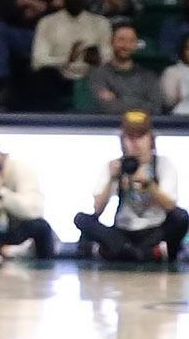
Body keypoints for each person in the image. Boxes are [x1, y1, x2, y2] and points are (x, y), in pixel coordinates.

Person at [75, 112, 186, 264]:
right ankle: (137, 252)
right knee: (81, 219)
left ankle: (124, 252)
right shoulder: (115, 166)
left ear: (150, 139)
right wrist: (112, 179)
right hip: (123, 231)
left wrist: (149, 185)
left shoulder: (163, 165)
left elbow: (170, 206)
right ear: (122, 140)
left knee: (182, 217)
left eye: (140, 136)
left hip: (153, 229)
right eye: (130, 137)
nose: (135, 142)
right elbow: (97, 210)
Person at [31, 0, 113, 96]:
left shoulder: (101, 23)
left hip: (91, 78)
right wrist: (67, 59)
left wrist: (97, 58)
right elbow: (38, 61)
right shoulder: (47, 22)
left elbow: (109, 57)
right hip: (57, 79)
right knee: (43, 76)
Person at [88, 22, 167, 116]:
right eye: (121, 40)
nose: (126, 45)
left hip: (143, 126)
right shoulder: (98, 74)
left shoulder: (148, 76)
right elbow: (107, 107)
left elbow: (156, 108)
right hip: (108, 127)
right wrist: (141, 103)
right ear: (111, 42)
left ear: (136, 45)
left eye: (131, 41)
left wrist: (119, 100)